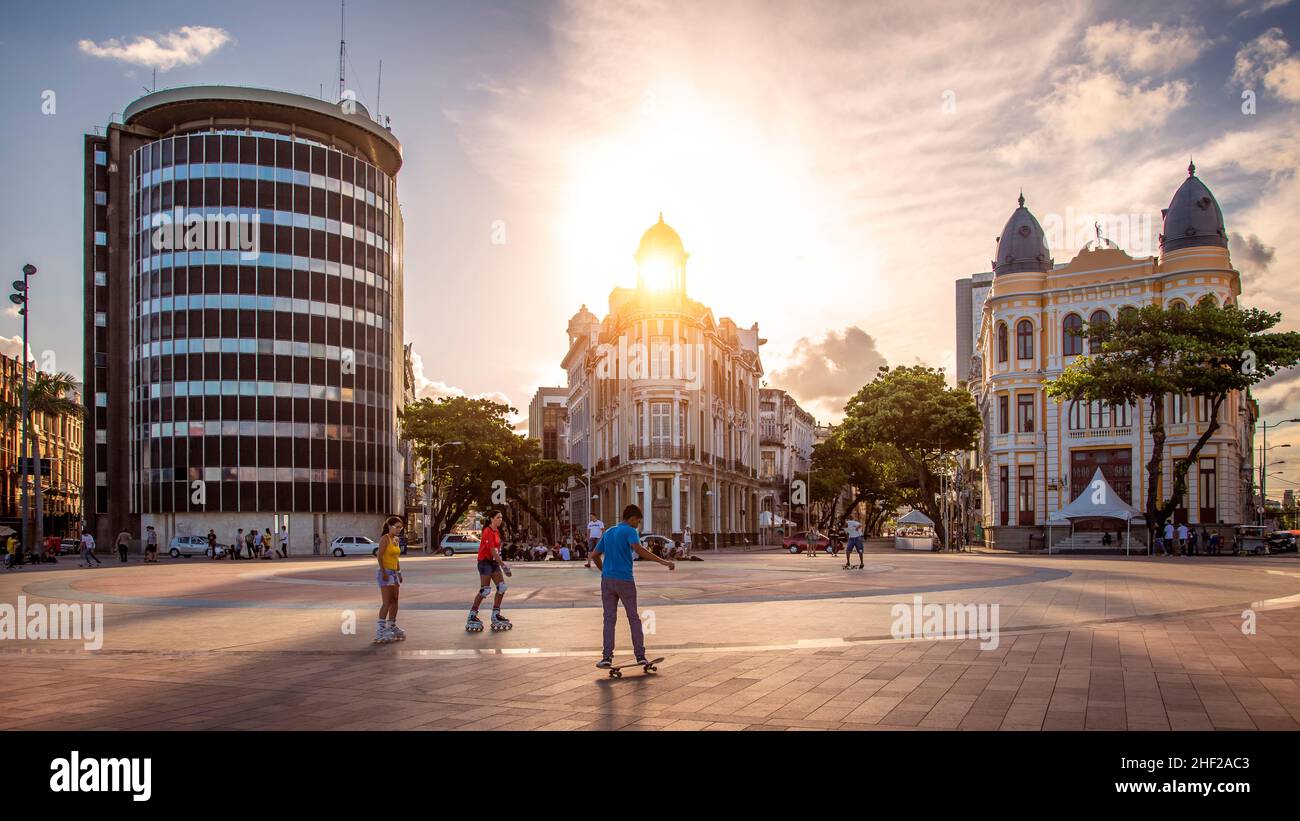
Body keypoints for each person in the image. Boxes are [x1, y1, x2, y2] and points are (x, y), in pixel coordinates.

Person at [592, 504, 674, 668]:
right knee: (633, 618)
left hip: (607, 581)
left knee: (609, 619)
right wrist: (663, 562)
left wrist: (605, 571)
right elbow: (639, 550)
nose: (638, 524)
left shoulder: (608, 532)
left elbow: (594, 555)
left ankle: (607, 657)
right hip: (625, 580)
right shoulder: (630, 531)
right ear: (631, 518)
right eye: (638, 521)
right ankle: (640, 656)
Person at [466, 510, 512, 632]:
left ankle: (495, 614)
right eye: (498, 517)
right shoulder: (487, 531)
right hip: (484, 562)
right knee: (485, 590)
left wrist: (500, 563)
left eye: (501, 517)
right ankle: (472, 615)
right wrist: (503, 565)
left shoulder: (497, 532)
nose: (500, 520)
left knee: (501, 587)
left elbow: (497, 551)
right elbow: (491, 550)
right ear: (491, 519)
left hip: (493, 562)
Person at [373, 515, 406, 643]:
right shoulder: (385, 539)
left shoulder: (396, 539)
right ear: (389, 527)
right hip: (385, 572)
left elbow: (396, 558)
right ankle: (380, 630)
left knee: (395, 600)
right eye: (396, 527)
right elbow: (379, 556)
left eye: (400, 527)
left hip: (394, 573)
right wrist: (383, 572)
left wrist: (399, 572)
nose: (399, 530)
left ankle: (391, 625)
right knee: (387, 601)